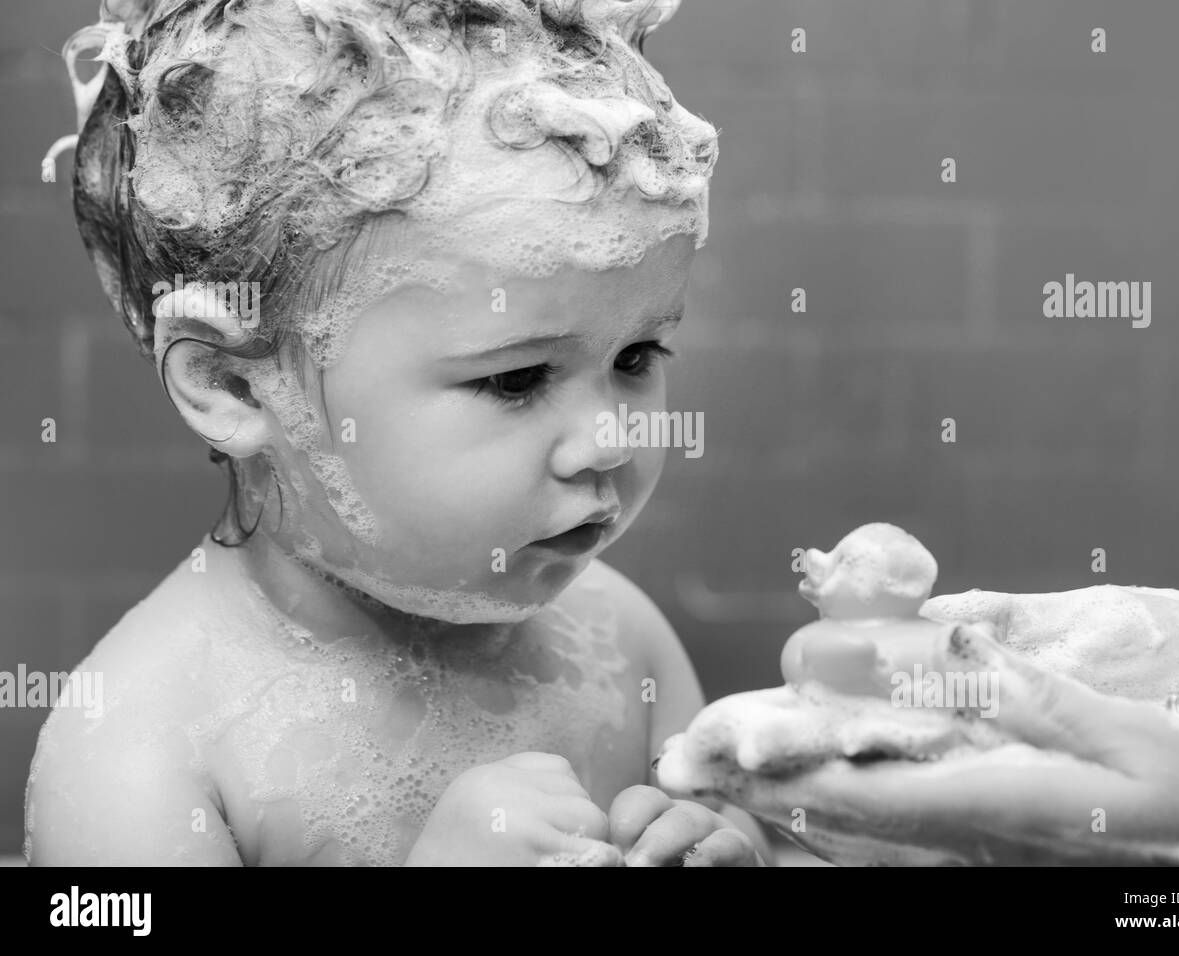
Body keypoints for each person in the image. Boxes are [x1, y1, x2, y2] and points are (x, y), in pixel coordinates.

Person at [26, 0, 770, 867]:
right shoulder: (140, 748)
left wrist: (731, 848)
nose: (610, 440)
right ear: (233, 383)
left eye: (639, 353)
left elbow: (740, 833)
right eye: (515, 378)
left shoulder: (618, 641)